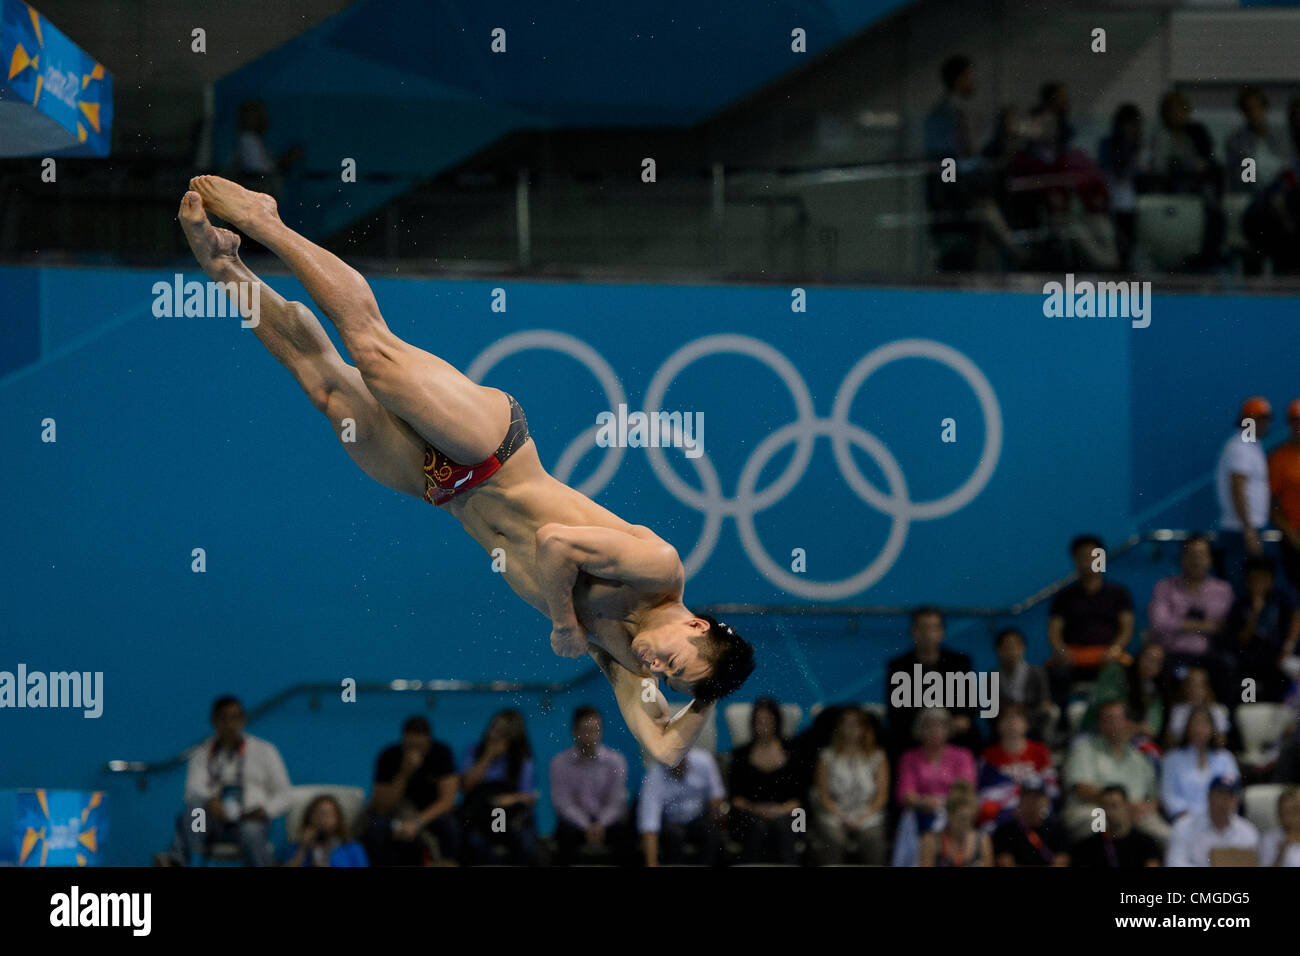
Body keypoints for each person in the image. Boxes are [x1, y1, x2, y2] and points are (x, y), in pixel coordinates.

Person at [177, 178, 755, 767]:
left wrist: (705, 690)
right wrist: (563, 624)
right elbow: (556, 544)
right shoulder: (659, 570)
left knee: (324, 386)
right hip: (493, 450)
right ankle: (268, 223)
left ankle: (225, 267)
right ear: (697, 623)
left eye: (668, 678)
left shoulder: (625, 654)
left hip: (443, 489)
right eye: (673, 664)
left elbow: (661, 748)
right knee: (372, 353)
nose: (656, 670)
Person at [173, 695, 292, 866]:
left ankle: (175, 857)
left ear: (244, 720)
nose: (230, 724)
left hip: (250, 821)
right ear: (214, 721)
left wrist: (264, 810)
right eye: (224, 718)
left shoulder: (265, 750)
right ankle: (183, 858)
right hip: (212, 825)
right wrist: (210, 800)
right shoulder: (201, 752)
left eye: (235, 717)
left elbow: (285, 794)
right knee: (193, 811)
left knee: (251, 831)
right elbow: (192, 791)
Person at [1047, 534, 1135, 715]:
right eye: (1082, 556)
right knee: (1055, 673)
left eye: (1093, 555)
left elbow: (1127, 628)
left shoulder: (1118, 593)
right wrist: (1061, 651)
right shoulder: (1063, 597)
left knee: (1123, 671)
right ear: (1075, 561)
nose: (1087, 561)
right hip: (1074, 657)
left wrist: (1116, 648)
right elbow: (1054, 631)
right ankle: (1063, 724)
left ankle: (1117, 719)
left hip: (1108, 655)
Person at [1063, 699, 1166, 843]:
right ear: (1099, 724)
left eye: (1117, 719)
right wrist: (1119, 807)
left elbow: (1154, 797)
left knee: (1166, 837)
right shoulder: (1084, 749)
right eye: (1107, 719)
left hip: (1134, 814)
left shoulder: (1139, 757)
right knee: (1101, 828)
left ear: (1127, 723)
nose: (1113, 724)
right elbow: (1081, 789)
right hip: (1095, 810)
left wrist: (1145, 806)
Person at [361, 715, 460, 866]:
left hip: (428, 814)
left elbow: (447, 800)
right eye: (410, 745)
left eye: (420, 746)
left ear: (428, 741)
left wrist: (417, 822)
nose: (415, 750)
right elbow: (382, 806)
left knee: (450, 825)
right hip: (395, 814)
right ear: (403, 740)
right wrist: (405, 772)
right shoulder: (388, 756)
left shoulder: (441, 754)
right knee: (376, 829)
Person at [885, 606, 980, 756]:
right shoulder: (898, 666)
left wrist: (953, 722)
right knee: (894, 738)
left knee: (973, 734)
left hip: (951, 730)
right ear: (913, 632)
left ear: (942, 632)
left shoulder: (959, 662)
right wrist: (927, 726)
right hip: (916, 731)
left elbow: (971, 705)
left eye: (933, 628)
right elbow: (896, 711)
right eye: (923, 628)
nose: (928, 634)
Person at [549, 705, 631, 865]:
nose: (592, 735)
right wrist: (586, 825)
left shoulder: (616, 761)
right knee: (563, 834)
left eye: (596, 729)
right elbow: (563, 803)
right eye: (586, 729)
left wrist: (601, 824)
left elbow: (617, 801)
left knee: (626, 835)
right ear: (575, 731)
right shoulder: (559, 763)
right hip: (575, 823)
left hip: (607, 822)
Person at [1216, 555, 1300, 706]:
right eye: (1254, 579)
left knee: (1280, 699)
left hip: (1277, 662)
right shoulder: (1240, 605)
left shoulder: (1281, 600)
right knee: (1248, 702)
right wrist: (1255, 613)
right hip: (1249, 666)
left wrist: (1288, 647)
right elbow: (1241, 641)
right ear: (1247, 580)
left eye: (1263, 578)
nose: (1259, 583)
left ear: (1271, 579)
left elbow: (1296, 618)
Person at [1146, 534, 1234, 677]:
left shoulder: (1223, 589)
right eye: (1191, 554)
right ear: (1182, 558)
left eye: (1201, 555)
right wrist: (1204, 626)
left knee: (1228, 665)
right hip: (1170, 653)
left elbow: (1222, 626)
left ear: (1210, 559)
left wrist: (1178, 623)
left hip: (1208, 656)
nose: (1196, 560)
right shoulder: (1164, 586)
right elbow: (1159, 623)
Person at [727, 698, 802, 864]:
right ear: (752, 723)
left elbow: (800, 798)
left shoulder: (794, 753)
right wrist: (757, 809)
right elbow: (735, 798)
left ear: (778, 722)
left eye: (769, 721)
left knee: (792, 822)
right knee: (756, 825)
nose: (764, 726)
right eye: (760, 721)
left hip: (788, 813)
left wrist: (779, 810)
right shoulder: (740, 755)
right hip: (750, 813)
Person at [460, 710, 539, 865]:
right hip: (480, 814)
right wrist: (488, 756)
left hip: (509, 814)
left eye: (502, 732)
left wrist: (509, 799)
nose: (495, 735)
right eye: (493, 728)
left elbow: (529, 795)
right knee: (475, 842)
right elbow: (466, 787)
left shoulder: (522, 759)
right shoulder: (474, 752)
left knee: (526, 843)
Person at [812, 707, 889, 865]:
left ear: (864, 728)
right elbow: (823, 796)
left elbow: (882, 796)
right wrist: (841, 816)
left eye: (856, 724)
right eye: (846, 724)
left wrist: (863, 817)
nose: (851, 729)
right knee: (834, 839)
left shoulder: (878, 757)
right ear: (839, 727)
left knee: (873, 839)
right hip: (835, 813)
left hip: (868, 814)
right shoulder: (827, 756)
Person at [1215, 397, 1273, 589]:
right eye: (1261, 420)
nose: (1266, 425)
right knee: (1237, 588)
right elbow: (1237, 488)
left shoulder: (1251, 445)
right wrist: (1248, 529)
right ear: (1249, 421)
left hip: (1247, 528)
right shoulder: (1240, 447)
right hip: (1239, 530)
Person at [637, 747, 725, 867]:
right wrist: (651, 863)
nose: (676, 765)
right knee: (673, 836)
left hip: (698, 818)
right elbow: (649, 827)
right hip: (669, 823)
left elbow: (717, 798)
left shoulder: (705, 761)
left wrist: (717, 814)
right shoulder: (653, 778)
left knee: (712, 833)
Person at [895, 708, 977, 832]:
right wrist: (923, 802)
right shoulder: (909, 758)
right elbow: (905, 794)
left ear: (948, 729)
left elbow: (966, 789)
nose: (935, 730)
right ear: (920, 729)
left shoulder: (962, 755)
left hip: (953, 813)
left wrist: (944, 803)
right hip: (920, 812)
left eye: (940, 725)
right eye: (929, 725)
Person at [976, 704, 1056, 826]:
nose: (1012, 721)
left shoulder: (1040, 751)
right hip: (1001, 818)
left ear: (1026, 724)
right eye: (1006, 717)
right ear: (998, 725)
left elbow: (1052, 789)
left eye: (1018, 716)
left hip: (1036, 814)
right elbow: (984, 795)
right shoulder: (988, 756)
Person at [1081, 641, 1170, 747]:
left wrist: (1134, 728)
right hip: (1096, 731)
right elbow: (1107, 710)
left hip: (1130, 740)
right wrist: (1137, 727)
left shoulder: (1155, 691)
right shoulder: (1115, 671)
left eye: (1157, 662)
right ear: (1138, 657)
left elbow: (1152, 728)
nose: (1150, 664)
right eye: (1148, 657)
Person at [1160, 706, 1241, 821]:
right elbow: (1169, 795)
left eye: (1204, 725)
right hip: (1185, 821)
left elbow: (1233, 792)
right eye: (1195, 724)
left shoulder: (1225, 757)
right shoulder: (1172, 758)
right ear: (1187, 728)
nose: (1199, 729)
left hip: (1220, 820)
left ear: (1212, 728)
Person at [1165, 776, 1259, 866]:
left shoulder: (1248, 831)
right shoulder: (1184, 826)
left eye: (1231, 796)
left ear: (1237, 801)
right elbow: (1174, 863)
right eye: (1220, 794)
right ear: (1209, 796)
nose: (1225, 801)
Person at [1098, 103, 1148, 269]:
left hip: (1133, 201)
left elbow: (1142, 172)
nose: (1131, 128)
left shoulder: (1140, 147)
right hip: (1114, 199)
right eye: (1127, 124)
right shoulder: (1108, 145)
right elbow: (1106, 172)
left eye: (1134, 124)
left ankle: (1127, 260)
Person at [1071, 785, 1162, 868]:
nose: (1109, 812)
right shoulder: (1088, 847)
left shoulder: (1146, 844)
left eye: (1114, 806)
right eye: (1105, 807)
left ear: (1126, 806)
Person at [991, 775, 1070, 867]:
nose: (1032, 801)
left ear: (1046, 800)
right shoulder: (1005, 832)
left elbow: (1061, 862)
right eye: (1028, 796)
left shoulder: (1057, 830)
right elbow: (1004, 862)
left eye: (1036, 797)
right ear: (1020, 800)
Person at [1225, 86, 1288, 196]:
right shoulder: (1236, 140)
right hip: (1253, 193)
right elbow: (1241, 176)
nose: (1254, 113)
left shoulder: (1280, 134)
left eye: (1257, 107)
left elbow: (1288, 163)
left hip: (1281, 190)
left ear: (1264, 108)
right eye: (1248, 109)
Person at [992, 627, 1051, 740]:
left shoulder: (1037, 672)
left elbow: (1045, 701)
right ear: (998, 650)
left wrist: (1023, 714)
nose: (1012, 650)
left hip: (1032, 721)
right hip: (1005, 723)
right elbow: (991, 709)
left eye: (1016, 646)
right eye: (1006, 647)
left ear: (1023, 648)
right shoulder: (993, 676)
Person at [281, 795, 368, 867]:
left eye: (328, 814)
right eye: (318, 814)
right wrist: (303, 848)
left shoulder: (352, 848)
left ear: (337, 820)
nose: (323, 819)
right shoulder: (296, 848)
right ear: (309, 818)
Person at [920, 782, 992, 867]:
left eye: (970, 820)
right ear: (949, 815)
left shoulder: (983, 841)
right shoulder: (931, 841)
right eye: (961, 819)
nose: (965, 825)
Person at [1269, 399, 1300, 594]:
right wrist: (1292, 534)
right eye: (1295, 421)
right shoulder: (1279, 458)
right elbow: (1272, 505)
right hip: (1294, 539)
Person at [1165, 666, 1230, 748]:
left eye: (1199, 685)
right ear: (1185, 687)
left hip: (1209, 754)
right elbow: (1169, 740)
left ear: (1206, 688)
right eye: (1191, 685)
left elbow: (1221, 741)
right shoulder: (1177, 710)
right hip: (1183, 752)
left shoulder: (1218, 710)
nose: (1195, 689)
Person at [1257, 785, 1300, 866]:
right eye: (1286, 812)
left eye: (1295, 811)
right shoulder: (1270, 838)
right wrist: (1280, 855)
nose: (1291, 817)